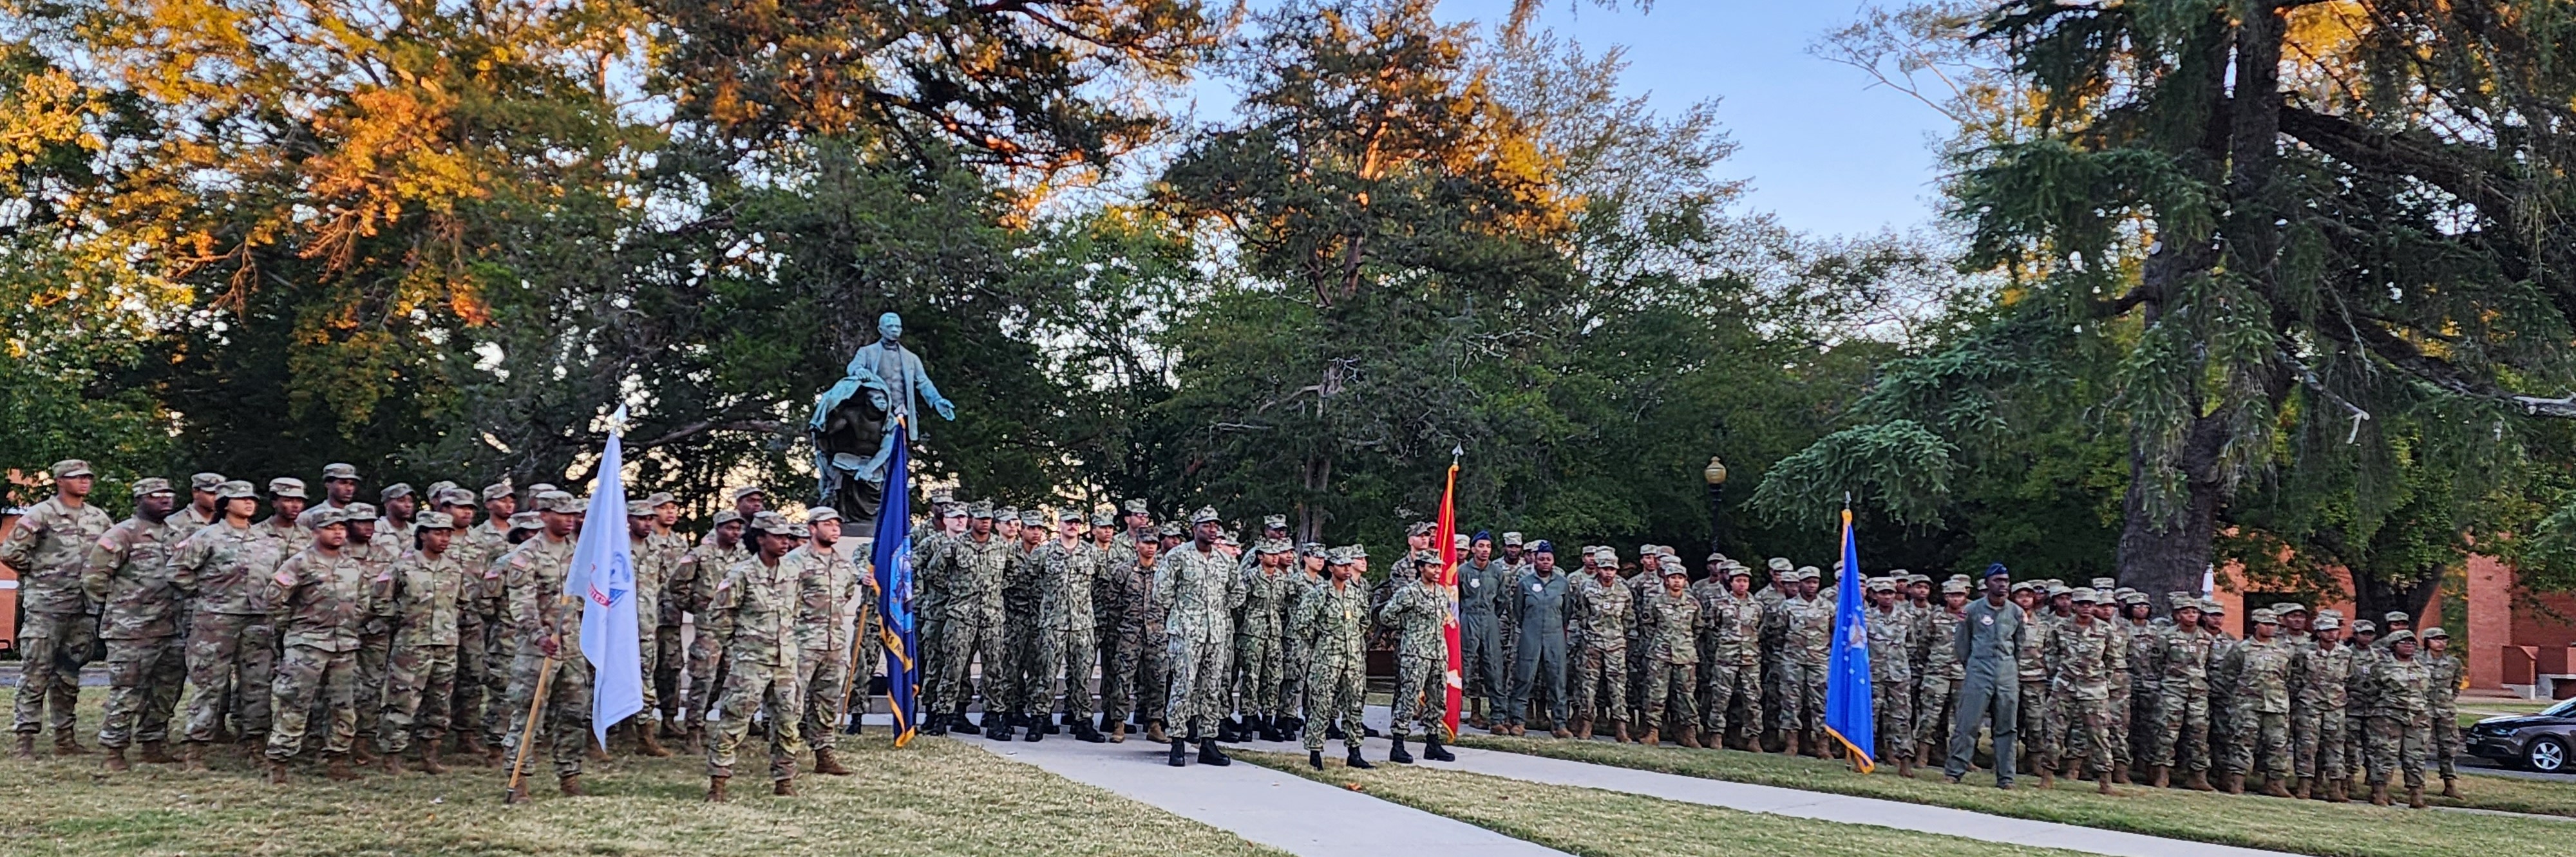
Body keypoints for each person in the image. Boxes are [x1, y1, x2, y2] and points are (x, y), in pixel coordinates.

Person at [2, 460, 115, 758]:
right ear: (60, 481)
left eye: (88, 477)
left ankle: (65, 738)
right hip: (46, 607)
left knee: (69, 673)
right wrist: (39, 572)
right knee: (35, 671)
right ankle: (25, 740)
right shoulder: (42, 513)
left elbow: (111, 554)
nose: (84, 482)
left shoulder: (98, 518)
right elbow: (11, 552)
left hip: (83, 606)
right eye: (77, 478)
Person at [169, 480, 285, 765]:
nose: (249, 503)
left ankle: (255, 744)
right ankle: (196, 748)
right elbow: (177, 571)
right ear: (224, 503)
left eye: (252, 499)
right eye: (241, 498)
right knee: (209, 683)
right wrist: (206, 593)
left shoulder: (268, 540)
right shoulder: (207, 537)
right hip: (216, 620)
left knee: (257, 684)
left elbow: (278, 577)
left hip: (257, 620)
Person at [85, 477, 187, 771]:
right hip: (131, 630)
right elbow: (94, 578)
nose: (165, 500)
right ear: (140, 500)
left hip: (170, 627)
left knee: (167, 690)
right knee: (127, 690)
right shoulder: (122, 534)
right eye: (156, 496)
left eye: (169, 494)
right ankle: (114, 749)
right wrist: (124, 606)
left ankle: (153, 743)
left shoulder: (176, 534)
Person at [705, 513, 808, 801]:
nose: (785, 542)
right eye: (778, 537)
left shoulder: (792, 573)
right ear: (761, 538)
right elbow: (719, 614)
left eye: (788, 537)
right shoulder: (742, 574)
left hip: (785, 662)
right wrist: (739, 644)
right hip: (751, 662)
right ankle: (719, 782)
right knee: (734, 721)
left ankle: (785, 780)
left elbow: (795, 609)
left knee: (788, 723)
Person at [262, 508, 368, 783]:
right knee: (295, 702)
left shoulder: (352, 565)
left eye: (342, 528)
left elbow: (364, 600)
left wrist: (352, 623)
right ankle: (279, 761)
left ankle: (337, 758)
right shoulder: (299, 563)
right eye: (331, 528)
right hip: (307, 645)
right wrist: (292, 626)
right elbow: (273, 598)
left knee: (343, 704)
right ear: (315, 532)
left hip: (344, 646)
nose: (338, 533)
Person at [499, 491, 591, 801]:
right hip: (539, 647)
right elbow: (522, 603)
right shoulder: (527, 555)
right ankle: (519, 779)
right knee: (529, 714)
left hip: (573, 646)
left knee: (574, 713)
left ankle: (570, 776)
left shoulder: (579, 552)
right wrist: (539, 636)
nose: (570, 519)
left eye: (573, 514)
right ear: (543, 516)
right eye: (562, 514)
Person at [376, 511, 467, 773]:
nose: (444, 539)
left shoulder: (453, 568)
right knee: (402, 700)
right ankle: (392, 756)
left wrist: (447, 623)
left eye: (448, 533)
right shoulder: (402, 567)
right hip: (411, 644)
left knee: (439, 702)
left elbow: (461, 602)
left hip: (446, 644)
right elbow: (380, 602)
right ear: (422, 535)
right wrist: (405, 618)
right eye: (438, 533)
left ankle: (430, 754)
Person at [1157, 507, 1246, 766]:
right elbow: (1162, 593)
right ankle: (1177, 741)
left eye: (1215, 525)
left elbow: (1238, 592)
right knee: (1183, 687)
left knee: (1212, 689)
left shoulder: (1225, 560)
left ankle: (1208, 741)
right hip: (1187, 633)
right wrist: (1184, 614)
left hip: (1216, 634)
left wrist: (1218, 609)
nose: (1212, 529)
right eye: (1206, 525)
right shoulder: (1178, 557)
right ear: (1195, 528)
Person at [1030, 510, 1108, 744]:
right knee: (1046, 673)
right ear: (1059, 524)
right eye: (1068, 522)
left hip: (1083, 625)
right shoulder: (1044, 553)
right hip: (1052, 623)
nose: (1073, 526)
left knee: (1082, 675)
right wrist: (1044, 608)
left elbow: (1102, 584)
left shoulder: (1092, 553)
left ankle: (1083, 720)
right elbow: (1029, 581)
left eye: (1076, 523)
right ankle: (1040, 718)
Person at [1944, 564, 2023, 788]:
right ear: (1987, 583)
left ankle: (2006, 777)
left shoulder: (2016, 612)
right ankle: (1955, 771)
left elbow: (2019, 645)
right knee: (1967, 723)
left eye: (2006, 581)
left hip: (2007, 674)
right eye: (1998, 580)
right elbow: (1962, 645)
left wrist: (2008, 667)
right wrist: (1975, 665)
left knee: (2007, 727)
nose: (2003, 585)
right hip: (1979, 672)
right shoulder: (1973, 611)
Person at [1298, 547, 1372, 769]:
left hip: (1353, 659)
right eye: (1342, 565)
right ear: (1331, 568)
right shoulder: (1319, 593)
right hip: (1326, 660)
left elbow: (1364, 620)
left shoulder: (1356, 593)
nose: (1347, 569)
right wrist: (1322, 642)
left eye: (1349, 565)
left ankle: (1355, 751)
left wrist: (1353, 641)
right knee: (1321, 705)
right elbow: (1302, 624)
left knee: (1354, 705)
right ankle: (1315, 752)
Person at [1380, 550, 1455, 764]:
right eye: (1432, 567)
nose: (1437, 571)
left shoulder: (1441, 593)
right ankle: (1398, 744)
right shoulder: (1410, 592)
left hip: (1437, 653)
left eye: (1439, 567)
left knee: (1438, 699)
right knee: (1409, 698)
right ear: (1421, 568)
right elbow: (1386, 615)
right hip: (1415, 653)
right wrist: (1408, 626)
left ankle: (1432, 742)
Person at [2048, 589, 2117, 793]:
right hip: (2065, 687)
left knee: (2099, 735)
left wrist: (2101, 680)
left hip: (2094, 688)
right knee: (2055, 732)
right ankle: (2047, 775)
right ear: (2074, 606)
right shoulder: (2060, 628)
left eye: (2090, 604)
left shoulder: (2105, 630)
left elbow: (2111, 660)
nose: (2086, 607)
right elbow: (2051, 656)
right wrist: (2061, 676)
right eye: (2082, 604)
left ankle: (2105, 781)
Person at [2223, 608, 2297, 795]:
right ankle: (2237, 781)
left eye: (2273, 625)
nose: (2270, 628)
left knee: (2278, 744)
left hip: (2277, 704)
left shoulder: (2284, 650)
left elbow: (2288, 676)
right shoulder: (2242, 648)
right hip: (2247, 705)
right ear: (2256, 624)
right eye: (2266, 624)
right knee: (2243, 742)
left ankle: (2275, 783)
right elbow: (2229, 674)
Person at [1230, 536, 1296, 742]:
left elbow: (1285, 607)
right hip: (1252, 634)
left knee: (1273, 678)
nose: (1276, 558)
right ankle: (1248, 722)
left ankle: (1268, 721)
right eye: (1271, 554)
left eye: (1278, 554)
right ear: (1260, 556)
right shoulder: (1249, 577)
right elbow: (1239, 606)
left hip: (1274, 635)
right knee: (1251, 677)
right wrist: (1245, 629)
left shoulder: (1282, 579)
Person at [1502, 542, 1571, 736]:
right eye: (1541, 559)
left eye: (1548, 559)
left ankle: (1560, 724)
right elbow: (1518, 611)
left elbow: (1567, 612)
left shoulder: (1562, 584)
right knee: (1524, 678)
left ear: (1553, 561)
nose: (1545, 563)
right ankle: (1518, 721)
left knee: (1557, 680)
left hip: (1554, 636)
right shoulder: (1525, 583)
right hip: (1530, 636)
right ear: (1535, 561)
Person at [2359, 629, 2433, 808]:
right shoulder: (2381, 667)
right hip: (2388, 718)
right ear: (2393, 646)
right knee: (2384, 755)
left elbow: (2427, 692)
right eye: (2404, 642)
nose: (2409, 646)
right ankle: (2379, 793)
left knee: (2415, 757)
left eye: (2412, 643)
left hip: (2417, 719)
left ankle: (2416, 797)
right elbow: (2370, 692)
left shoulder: (2422, 668)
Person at [2151, 598, 2218, 790]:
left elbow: (2211, 664)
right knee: (2167, 732)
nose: (2191, 616)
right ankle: (2162, 773)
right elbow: (2157, 663)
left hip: (2198, 691)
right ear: (2178, 615)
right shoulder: (2167, 636)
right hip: (2173, 689)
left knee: (2200, 733)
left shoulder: (2206, 638)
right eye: (2186, 612)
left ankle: (2198, 776)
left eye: (2195, 612)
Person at [1700, 560, 1765, 751]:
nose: (1742, 584)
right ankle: (1716, 735)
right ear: (1731, 582)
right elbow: (1712, 627)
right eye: (1738, 580)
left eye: (1745, 581)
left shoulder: (1757, 607)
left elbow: (1761, 628)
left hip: (1750, 659)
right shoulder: (1720, 605)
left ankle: (1754, 737)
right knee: (1721, 697)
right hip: (1726, 658)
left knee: (1752, 699)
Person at [1569, 548, 1632, 741]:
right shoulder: (1587, 588)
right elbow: (1581, 614)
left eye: (1612, 569)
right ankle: (1586, 725)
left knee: (1618, 687)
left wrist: (1618, 637)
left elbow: (1629, 620)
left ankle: (1621, 728)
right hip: (1592, 644)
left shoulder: (1624, 591)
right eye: (1604, 569)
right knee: (1588, 685)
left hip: (1616, 646)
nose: (1608, 573)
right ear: (1598, 569)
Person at [2291, 610, 2354, 801]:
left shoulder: (2346, 653)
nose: (2331, 634)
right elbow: (2295, 678)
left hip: (2335, 705)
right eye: (2326, 630)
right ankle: (2304, 786)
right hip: (2310, 704)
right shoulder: (2305, 652)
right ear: (2318, 632)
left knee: (2336, 746)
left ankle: (2335, 787)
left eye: (2334, 630)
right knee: (2307, 746)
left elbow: (2349, 678)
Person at [1636, 565, 1702, 748]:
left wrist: (1685, 642)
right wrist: (1660, 641)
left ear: (1685, 580)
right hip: (1660, 654)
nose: (1676, 581)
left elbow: (1698, 628)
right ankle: (1653, 731)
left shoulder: (1693, 604)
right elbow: (1648, 625)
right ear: (1666, 580)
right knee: (1656, 694)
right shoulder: (1656, 602)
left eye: (1680, 578)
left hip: (1686, 656)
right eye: (1673, 577)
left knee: (1687, 696)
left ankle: (1689, 733)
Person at [1864, 578, 1916, 776]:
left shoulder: (1905, 617)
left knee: (1901, 718)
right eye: (1882, 593)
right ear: (1873, 595)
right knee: (1870, 716)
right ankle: (1864, 756)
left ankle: (1904, 760)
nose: (1887, 596)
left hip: (1899, 675)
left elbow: (1911, 645)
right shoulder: (1865, 617)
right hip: (1872, 675)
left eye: (1891, 593)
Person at [2421, 626, 2463, 798]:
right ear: (2427, 641)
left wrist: (2448, 701)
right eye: (2436, 639)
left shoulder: (2453, 663)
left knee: (2448, 748)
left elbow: (2456, 686)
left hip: (2446, 710)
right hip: (2423, 709)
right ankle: (2418, 785)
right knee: (2419, 748)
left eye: (2444, 639)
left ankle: (2450, 784)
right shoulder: (2417, 661)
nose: (2441, 642)